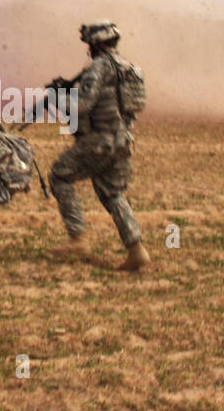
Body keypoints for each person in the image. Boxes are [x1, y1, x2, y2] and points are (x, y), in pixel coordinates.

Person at [48, 20, 149, 271]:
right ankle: (137, 250)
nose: (89, 49)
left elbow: (81, 106)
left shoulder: (98, 68)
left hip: (98, 140)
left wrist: (59, 97)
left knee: (59, 176)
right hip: (123, 141)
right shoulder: (132, 69)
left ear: (98, 44)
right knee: (112, 194)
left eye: (90, 44)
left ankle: (77, 239)